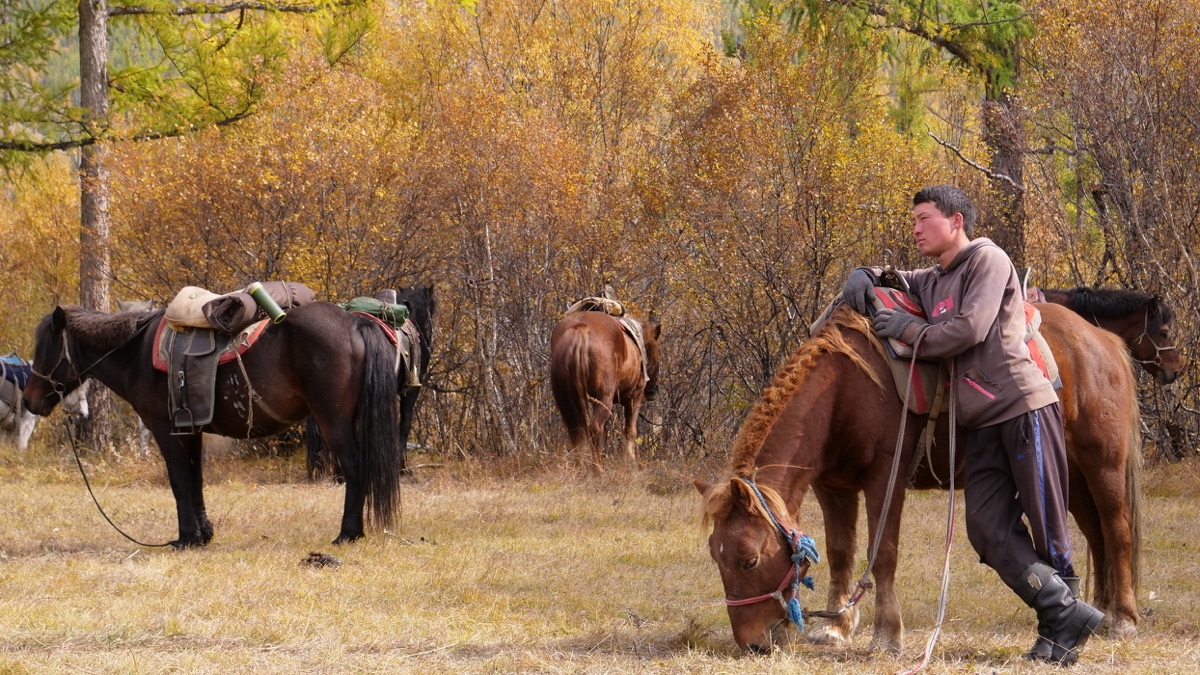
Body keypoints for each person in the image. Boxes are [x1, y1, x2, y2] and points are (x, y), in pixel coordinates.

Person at [841, 184, 1104, 666]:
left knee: (1047, 523)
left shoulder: (988, 260)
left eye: (924, 218)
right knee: (985, 528)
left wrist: (910, 331)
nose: (916, 228)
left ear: (956, 221)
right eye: (914, 220)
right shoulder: (933, 277)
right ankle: (1067, 614)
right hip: (980, 423)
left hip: (1022, 407)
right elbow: (897, 278)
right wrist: (864, 274)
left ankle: (1059, 633)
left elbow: (970, 328)